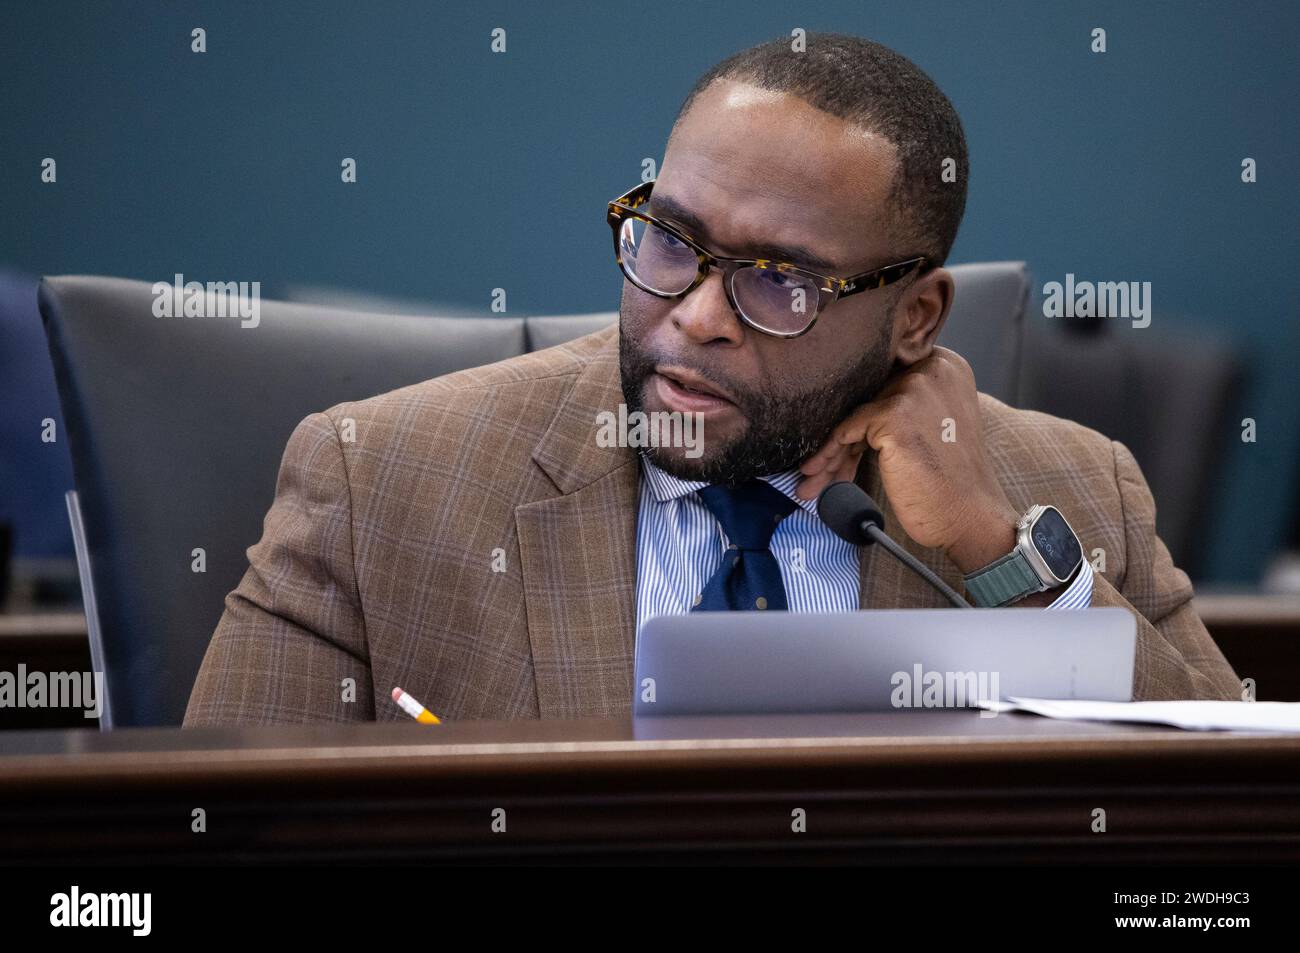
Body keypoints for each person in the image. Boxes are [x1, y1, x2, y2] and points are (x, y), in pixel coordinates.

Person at [184, 33, 1240, 726]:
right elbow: (216, 840)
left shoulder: (1067, 487)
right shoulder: (382, 484)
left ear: (914, 317)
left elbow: (1225, 837)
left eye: (780, 282)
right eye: (668, 240)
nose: (691, 314)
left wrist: (993, 554)